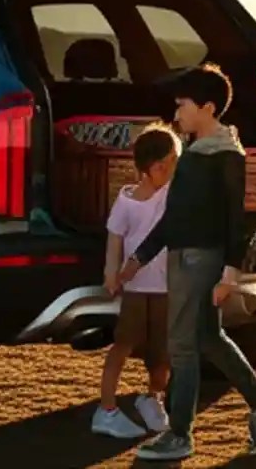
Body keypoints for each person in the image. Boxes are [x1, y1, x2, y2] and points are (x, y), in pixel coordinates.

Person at [116, 63, 256, 461]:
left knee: (182, 345)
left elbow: (234, 220)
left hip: (199, 260)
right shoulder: (194, 153)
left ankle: (179, 434)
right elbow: (174, 217)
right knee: (208, 338)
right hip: (183, 256)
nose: (177, 114)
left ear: (207, 108)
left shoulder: (226, 155)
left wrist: (229, 274)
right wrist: (139, 257)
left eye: (183, 105)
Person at [93, 123, 180, 438]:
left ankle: (153, 398)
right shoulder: (127, 201)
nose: (173, 170)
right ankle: (106, 409)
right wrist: (111, 272)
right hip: (135, 290)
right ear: (154, 167)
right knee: (123, 345)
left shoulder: (173, 196)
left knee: (162, 353)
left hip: (166, 290)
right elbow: (115, 237)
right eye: (170, 163)